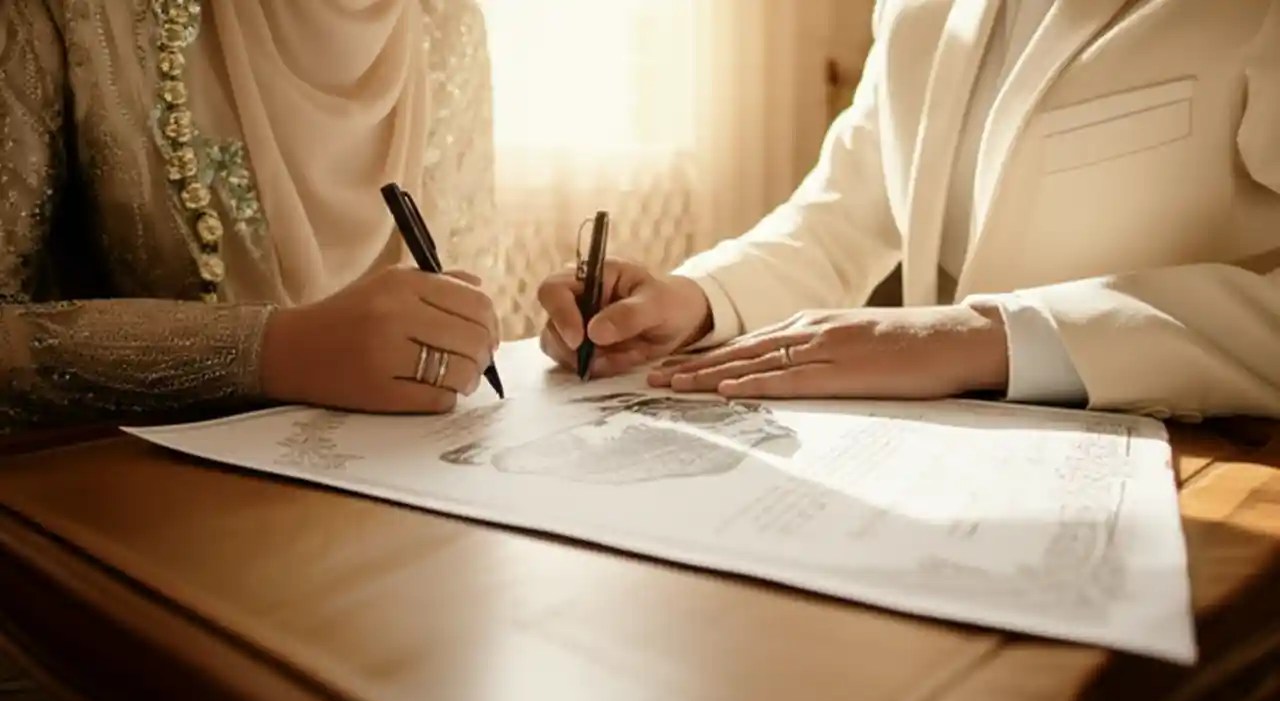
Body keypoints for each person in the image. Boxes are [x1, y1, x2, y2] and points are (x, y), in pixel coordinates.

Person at [538, 0, 1280, 420]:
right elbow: (843, 214)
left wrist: (986, 338)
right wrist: (696, 301)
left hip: (1204, 471)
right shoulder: (914, 10)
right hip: (949, 475)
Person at [0, 0, 499, 436]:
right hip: (149, 509)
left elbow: (458, 292)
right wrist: (276, 351)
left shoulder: (449, 24)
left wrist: (556, 340)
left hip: (405, 507)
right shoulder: (83, 15)